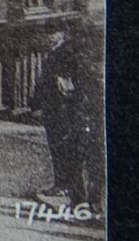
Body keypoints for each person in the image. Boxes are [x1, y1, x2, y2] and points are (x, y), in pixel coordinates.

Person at [32, 26, 100, 208]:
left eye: (52, 33)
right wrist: (37, 104)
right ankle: (61, 184)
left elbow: (71, 80)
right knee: (56, 147)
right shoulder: (54, 52)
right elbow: (43, 82)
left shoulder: (67, 53)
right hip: (52, 109)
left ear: (61, 34)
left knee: (65, 149)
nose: (48, 37)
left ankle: (67, 187)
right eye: (46, 33)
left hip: (63, 110)